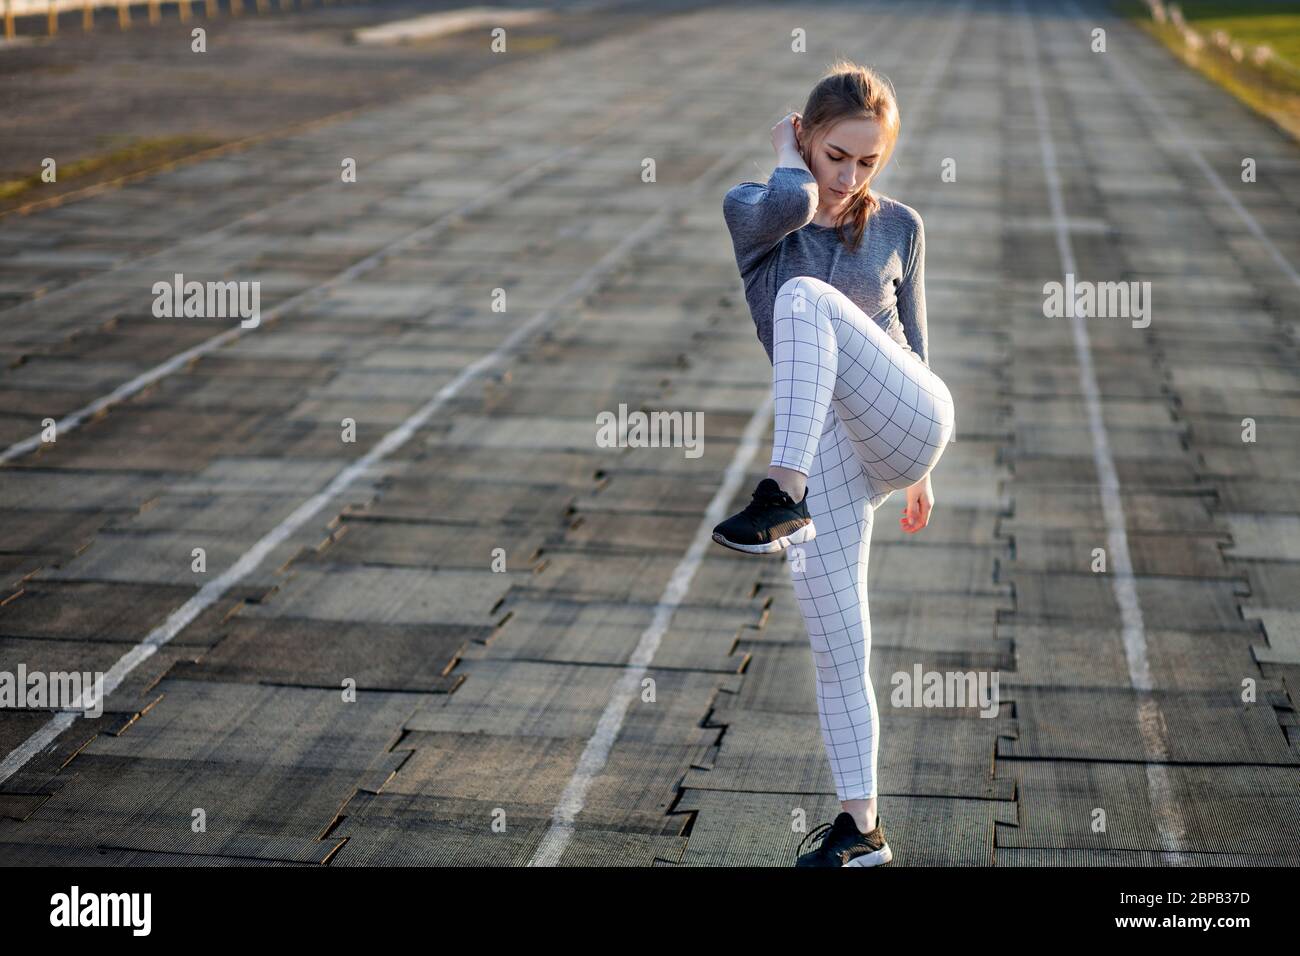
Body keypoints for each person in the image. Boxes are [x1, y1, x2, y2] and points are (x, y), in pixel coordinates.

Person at [713, 59, 956, 867]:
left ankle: (780, 493)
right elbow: (792, 203)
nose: (850, 178)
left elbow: (913, 345)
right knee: (837, 639)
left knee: (805, 299)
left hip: (910, 418)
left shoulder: (900, 226)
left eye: (867, 162)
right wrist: (788, 156)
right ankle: (861, 831)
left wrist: (921, 467)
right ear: (805, 139)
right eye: (835, 156)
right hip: (834, 451)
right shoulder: (756, 211)